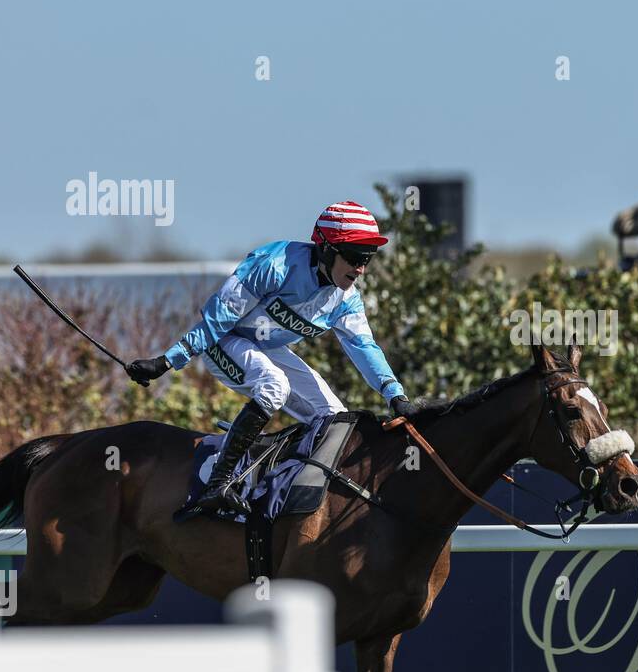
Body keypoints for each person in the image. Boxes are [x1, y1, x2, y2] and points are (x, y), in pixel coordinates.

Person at [126, 201, 419, 516]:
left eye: (368, 259)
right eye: (355, 258)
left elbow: (365, 347)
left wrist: (395, 395)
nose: (361, 269)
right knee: (274, 386)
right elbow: (217, 319)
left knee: (334, 419)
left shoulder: (345, 300)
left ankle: (279, 487)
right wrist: (168, 361)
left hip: (266, 349)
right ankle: (217, 482)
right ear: (327, 249)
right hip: (224, 340)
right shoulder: (273, 265)